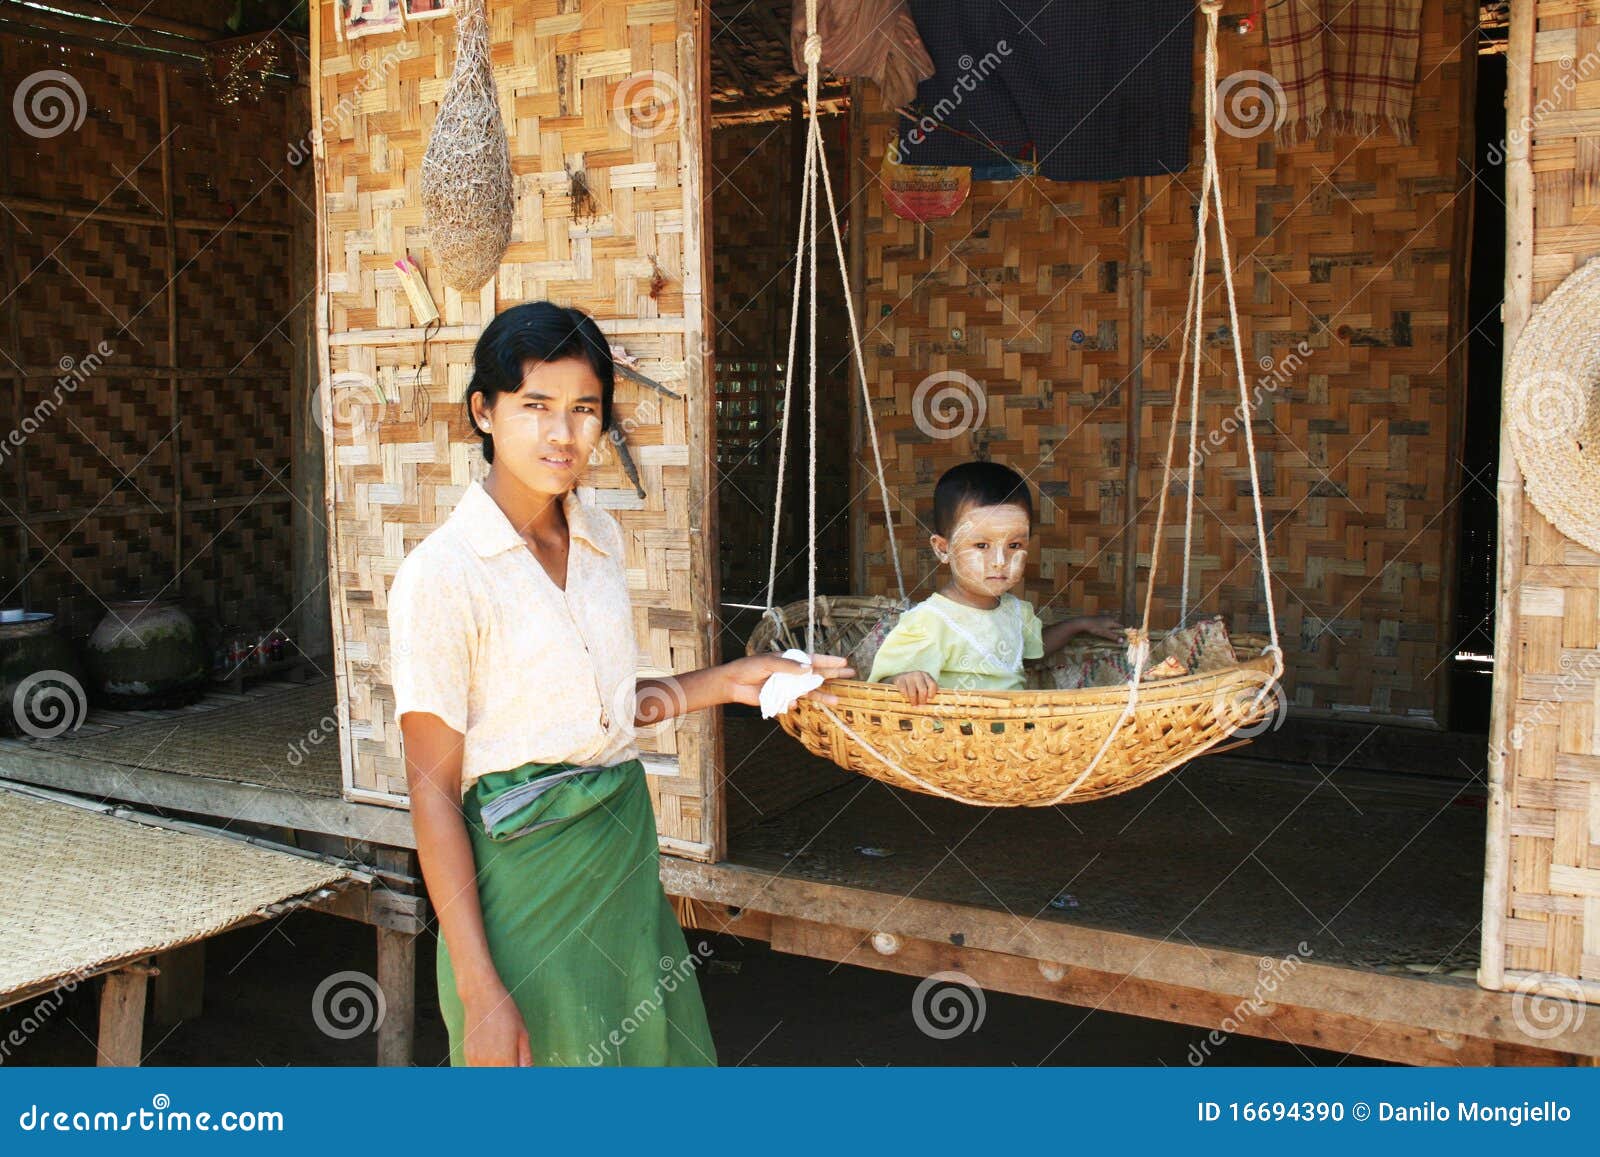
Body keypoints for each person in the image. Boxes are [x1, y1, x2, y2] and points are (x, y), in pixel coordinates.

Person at [388, 301, 851, 1066]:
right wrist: (478, 988)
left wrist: (733, 680)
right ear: (484, 410)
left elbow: (596, 708)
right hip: (527, 885)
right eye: (535, 406)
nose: (562, 434)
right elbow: (432, 794)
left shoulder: (599, 535)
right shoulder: (442, 576)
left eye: (584, 409)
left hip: (621, 863)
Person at [867, 461, 1123, 704]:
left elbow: (1031, 650)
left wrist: (1078, 625)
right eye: (981, 545)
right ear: (943, 549)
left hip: (1013, 736)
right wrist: (903, 679)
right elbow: (885, 685)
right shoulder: (928, 621)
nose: (1000, 560)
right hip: (956, 740)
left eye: (1014, 545)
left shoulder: (1015, 611)